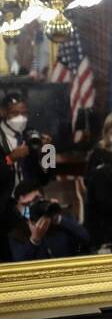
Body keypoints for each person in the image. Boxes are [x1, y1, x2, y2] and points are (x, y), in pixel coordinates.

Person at [0, 91, 54, 261]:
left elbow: (46, 178)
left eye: (24, 113)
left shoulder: (32, 135)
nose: (21, 118)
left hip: (30, 205)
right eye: (15, 113)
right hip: (4, 208)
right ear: (3, 112)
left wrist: (48, 151)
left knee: (35, 250)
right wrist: (10, 158)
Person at [9, 180, 89, 261]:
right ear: (18, 208)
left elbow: (85, 237)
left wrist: (58, 219)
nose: (31, 208)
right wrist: (34, 240)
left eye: (35, 201)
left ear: (43, 199)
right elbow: (19, 262)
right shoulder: (16, 233)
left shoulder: (58, 218)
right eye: (26, 205)